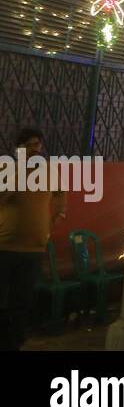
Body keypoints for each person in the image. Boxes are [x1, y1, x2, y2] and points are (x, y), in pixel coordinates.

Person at [0, 128, 66, 350]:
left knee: (22, 301)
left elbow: (60, 193)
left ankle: (15, 343)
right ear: (18, 148)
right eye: (29, 145)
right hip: (6, 246)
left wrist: (58, 214)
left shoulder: (48, 171)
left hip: (34, 249)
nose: (35, 149)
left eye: (38, 144)